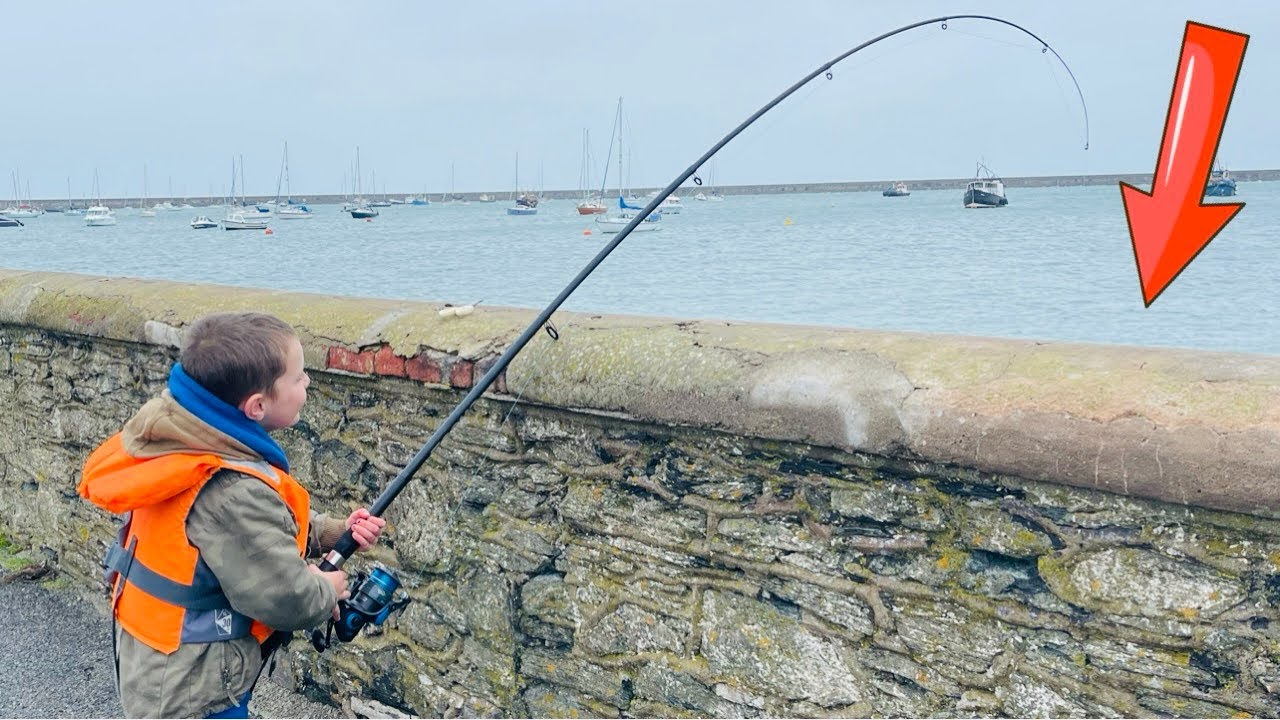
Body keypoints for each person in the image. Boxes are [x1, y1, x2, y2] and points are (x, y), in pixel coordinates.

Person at [78, 311, 387, 718]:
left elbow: (250, 532)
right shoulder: (231, 489)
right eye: (298, 377)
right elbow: (287, 598)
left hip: (158, 663)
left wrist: (335, 532)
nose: (308, 383)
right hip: (193, 690)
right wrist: (327, 588)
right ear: (257, 406)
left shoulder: (186, 434)